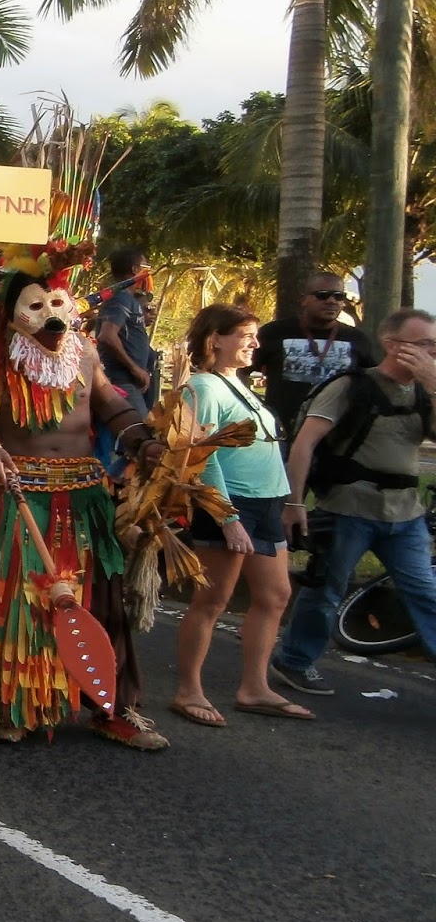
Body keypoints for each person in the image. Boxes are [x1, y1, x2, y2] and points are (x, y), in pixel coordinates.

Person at [0, 237, 169, 750]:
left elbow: (113, 408)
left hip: (87, 495)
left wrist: (143, 443)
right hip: (19, 498)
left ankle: (112, 708)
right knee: (18, 605)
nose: (50, 315)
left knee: (102, 601)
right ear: (12, 311)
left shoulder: (86, 352)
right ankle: (11, 705)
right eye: (35, 305)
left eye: (57, 303)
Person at [272, 307, 436, 693]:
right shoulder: (352, 385)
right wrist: (294, 504)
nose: (432, 352)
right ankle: (295, 659)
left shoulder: (425, 392)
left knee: (425, 594)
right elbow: (305, 443)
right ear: (393, 345)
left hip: (405, 513)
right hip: (350, 510)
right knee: (327, 590)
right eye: (424, 344)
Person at [169, 304, 312, 726]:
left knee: (275, 596)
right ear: (216, 339)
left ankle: (254, 687)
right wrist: (227, 517)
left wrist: (287, 502)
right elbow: (201, 453)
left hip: (266, 501)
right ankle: (188, 690)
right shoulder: (202, 386)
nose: (255, 343)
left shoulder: (237, 384)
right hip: (230, 503)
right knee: (213, 599)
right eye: (245, 335)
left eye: (254, 336)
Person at [248, 271, 377, 439]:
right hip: (283, 432)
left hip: (338, 434)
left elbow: (373, 381)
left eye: (339, 296)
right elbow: (241, 370)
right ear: (304, 299)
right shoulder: (274, 332)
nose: (331, 301)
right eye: (322, 295)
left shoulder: (357, 338)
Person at [94, 247, 156, 419]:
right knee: (141, 436)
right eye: (146, 266)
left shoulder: (128, 299)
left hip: (129, 382)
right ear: (135, 270)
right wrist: (135, 369)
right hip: (122, 382)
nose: (148, 272)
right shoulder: (120, 298)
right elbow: (107, 336)